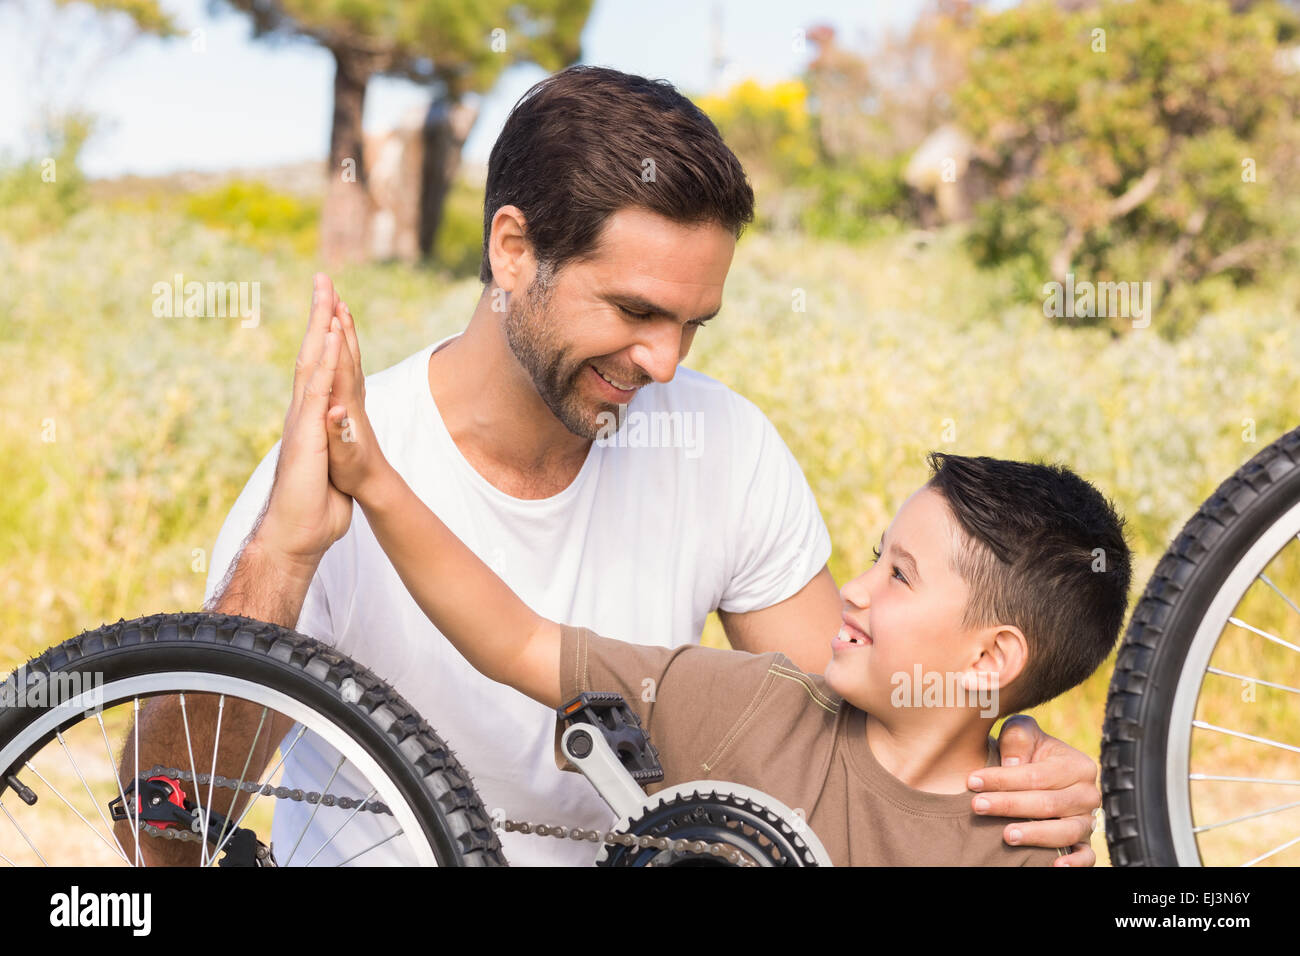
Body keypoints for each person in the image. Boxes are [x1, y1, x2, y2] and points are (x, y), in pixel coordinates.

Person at [124, 65, 1102, 866]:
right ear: (513, 250)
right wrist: (287, 558)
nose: (665, 362)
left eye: (691, 323)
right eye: (634, 311)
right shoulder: (338, 461)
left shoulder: (720, 442)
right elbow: (153, 833)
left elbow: (850, 725)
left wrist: (1008, 747)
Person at [320, 322, 1132, 865]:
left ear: (991, 657)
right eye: (877, 558)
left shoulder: (1027, 842)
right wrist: (375, 482)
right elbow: (519, 640)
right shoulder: (753, 704)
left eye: (899, 577)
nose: (852, 590)